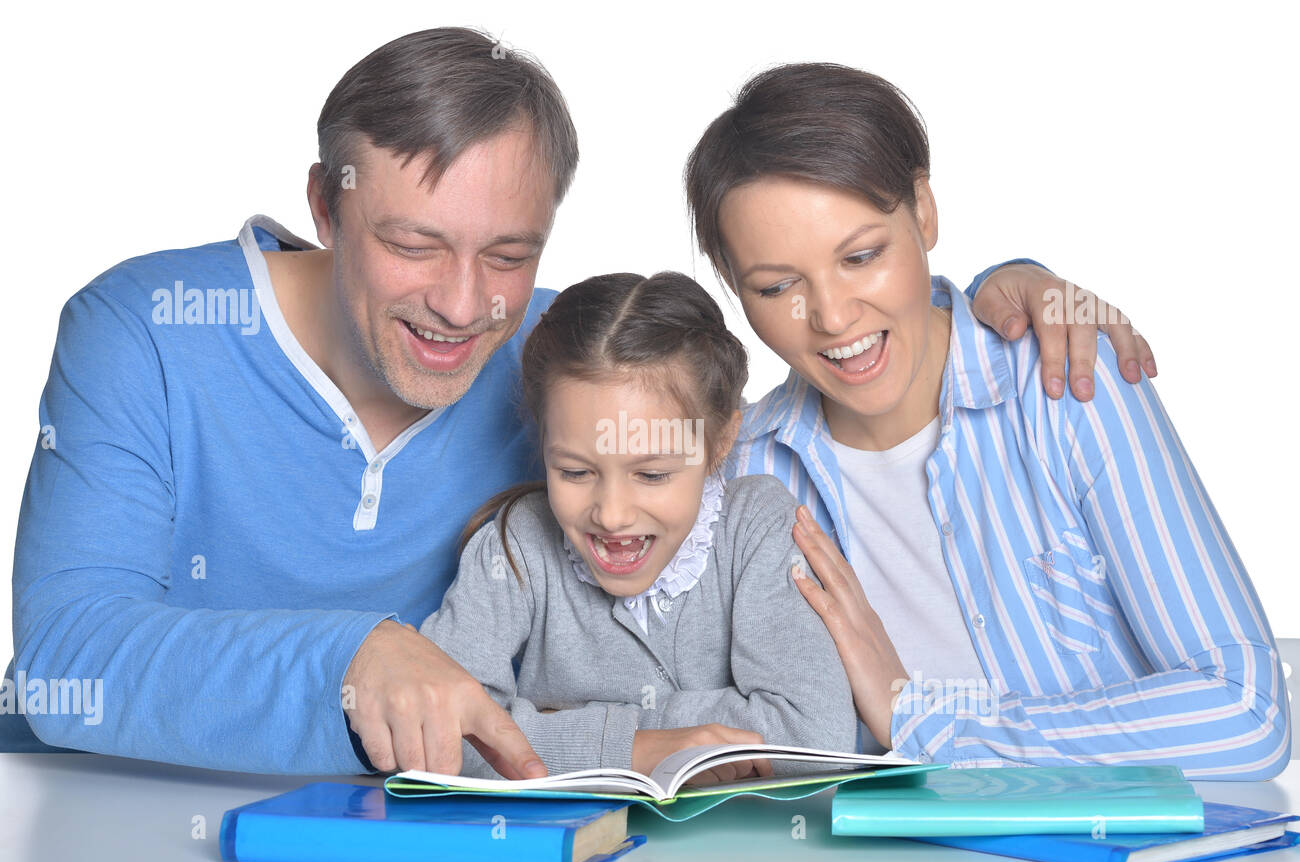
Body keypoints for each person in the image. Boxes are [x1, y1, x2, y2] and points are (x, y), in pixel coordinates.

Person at [4, 28, 1152, 775]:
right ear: (324, 200)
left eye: (509, 251)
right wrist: (359, 658)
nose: (465, 306)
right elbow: (68, 653)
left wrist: (1001, 291)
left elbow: (784, 323)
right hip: (127, 821)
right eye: (414, 244)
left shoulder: (554, 351)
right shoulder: (142, 330)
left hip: (480, 817)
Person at [685, 62, 1290, 780]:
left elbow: (1247, 714)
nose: (833, 316)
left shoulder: (1066, 382)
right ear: (732, 284)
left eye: (862, 256)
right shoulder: (742, 473)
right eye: (777, 286)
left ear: (924, 210)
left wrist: (921, 721)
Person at [418, 272, 857, 782]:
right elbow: (444, 735)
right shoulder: (515, 545)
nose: (612, 514)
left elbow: (816, 739)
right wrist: (637, 749)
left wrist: (559, 729)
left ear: (718, 444)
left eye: (652, 474)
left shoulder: (757, 527)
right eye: (575, 472)